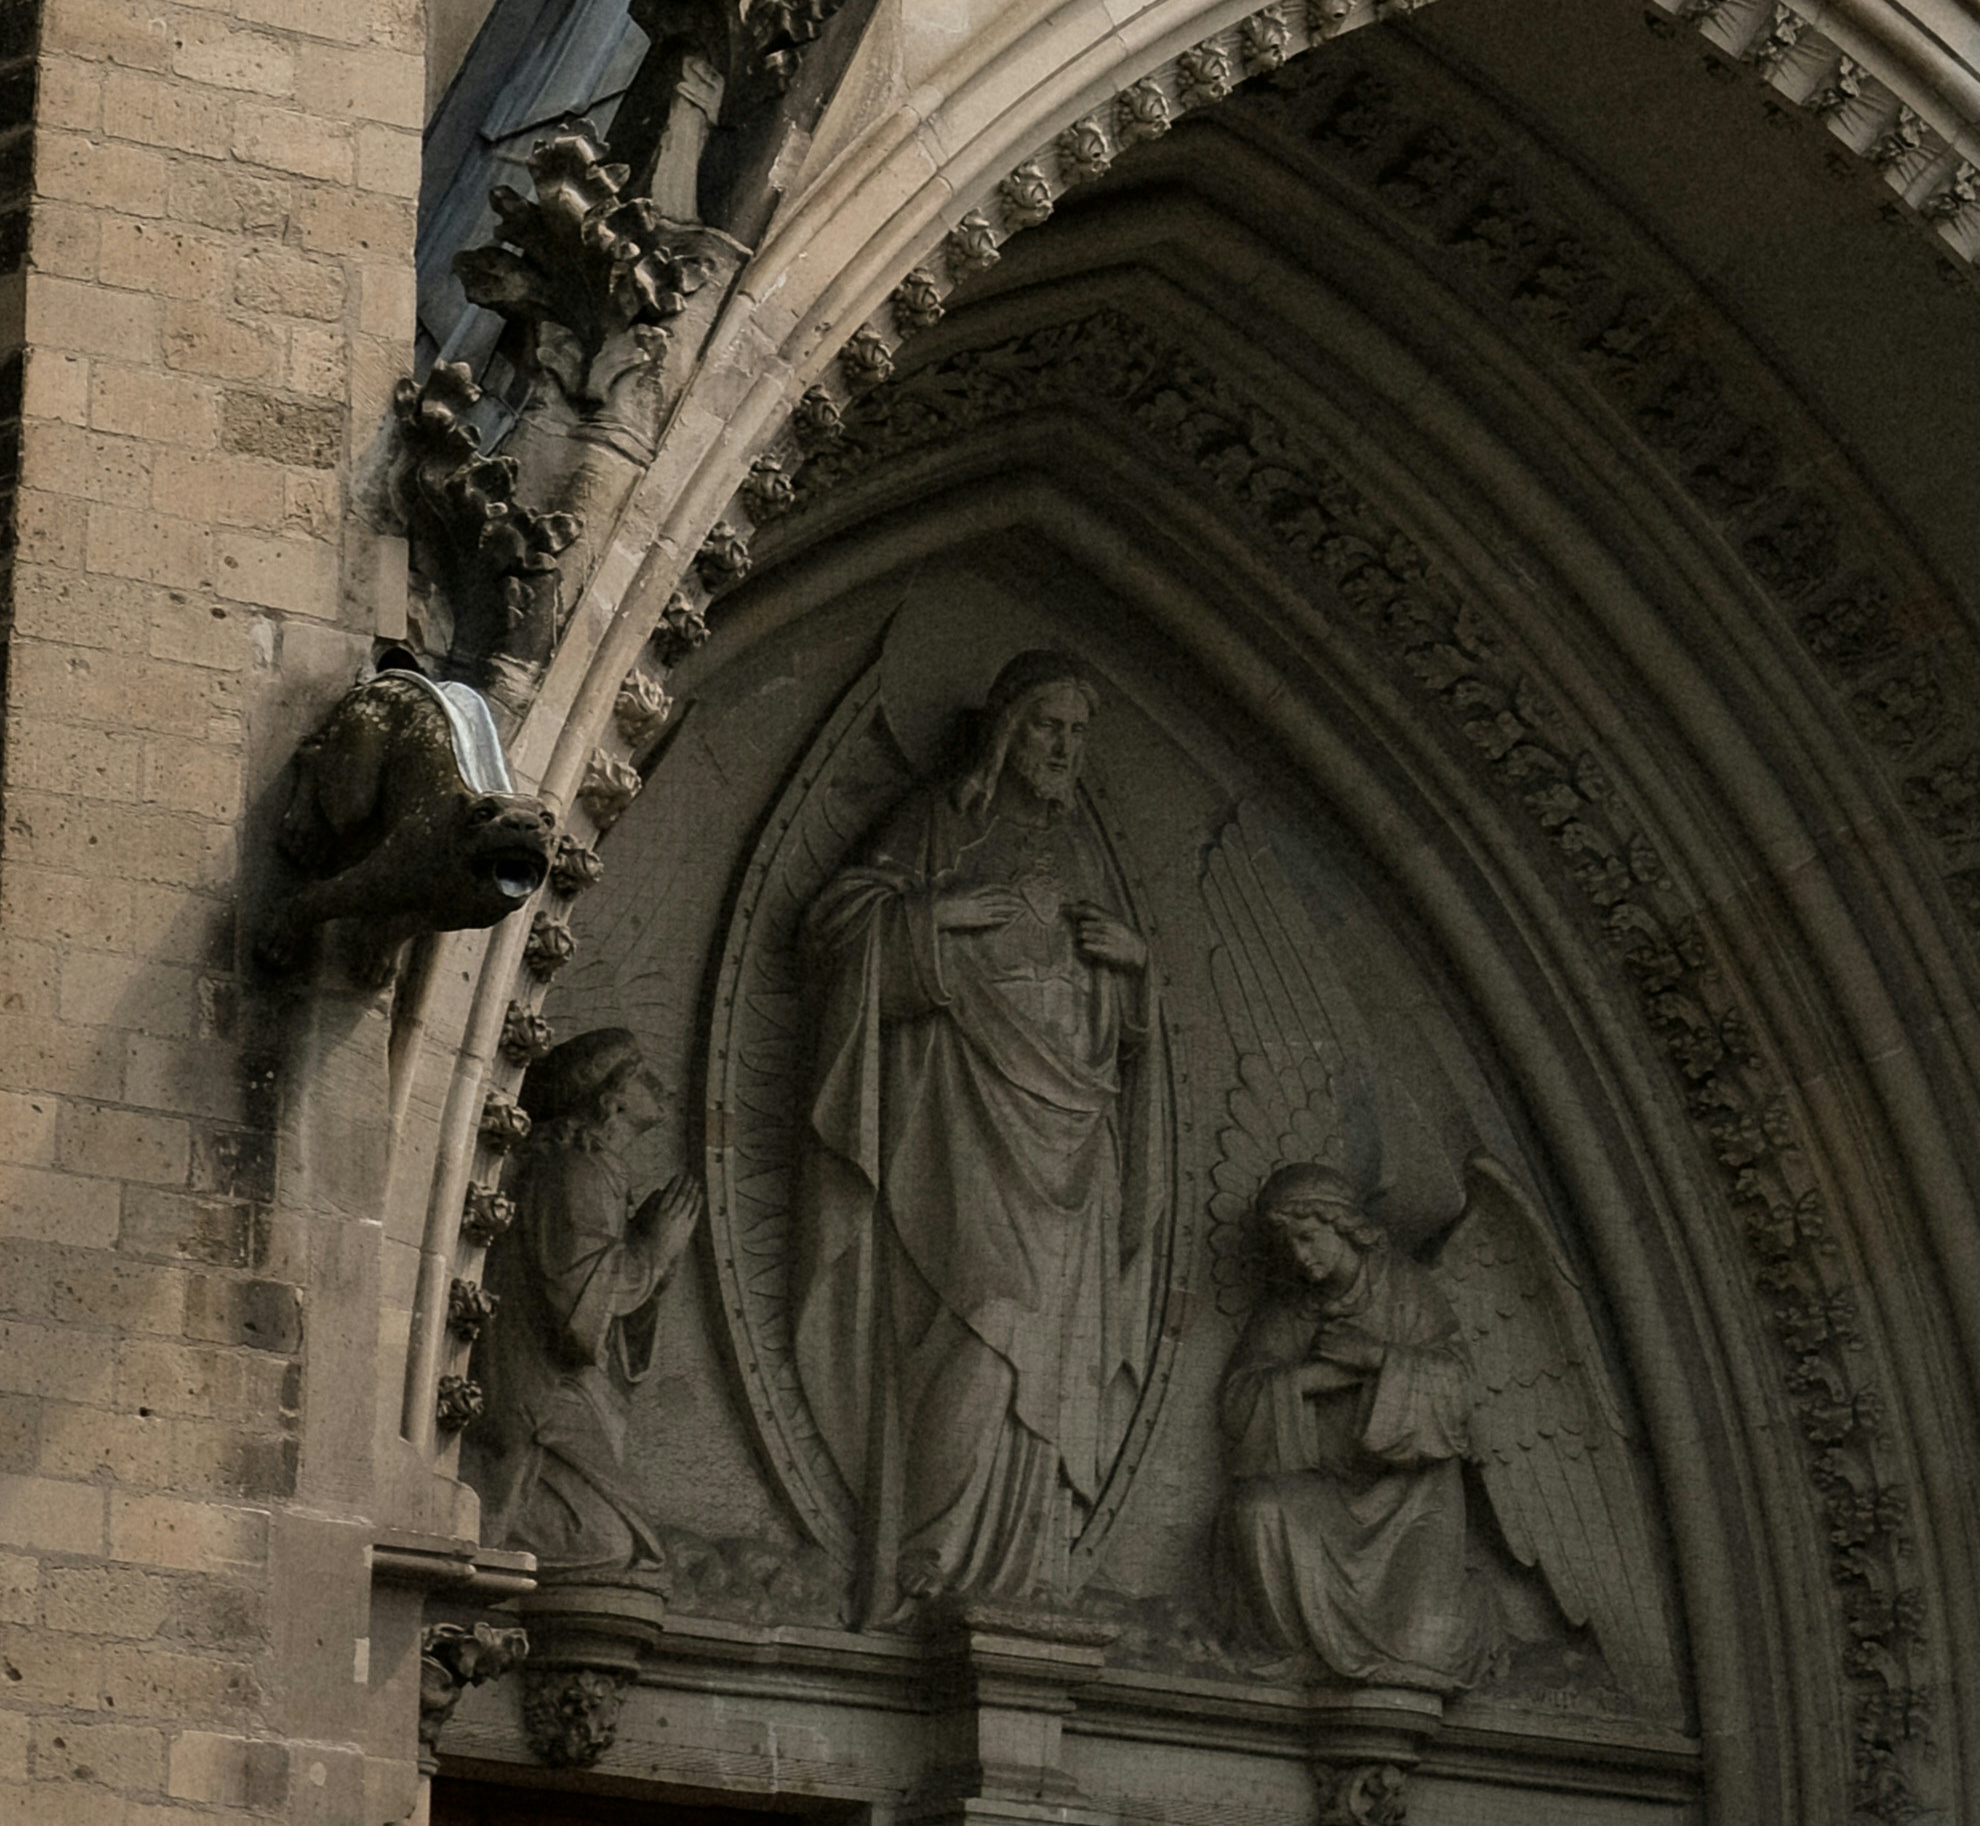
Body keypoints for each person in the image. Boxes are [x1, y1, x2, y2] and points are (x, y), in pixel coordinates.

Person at [795, 656, 1163, 1621]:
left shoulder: (1080, 851)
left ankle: (1022, 1562)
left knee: (1044, 1338)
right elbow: (833, 930)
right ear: (1005, 730)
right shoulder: (935, 822)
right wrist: (927, 918)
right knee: (985, 1314)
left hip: (1071, 1145)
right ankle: (933, 1548)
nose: (1064, 751)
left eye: (1078, 737)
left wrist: (1136, 975)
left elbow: (1114, 1014)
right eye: (1048, 729)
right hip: (955, 1120)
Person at [1210, 1169, 1491, 1685]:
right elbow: (1238, 1400)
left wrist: (1376, 1358)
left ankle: (1463, 1614)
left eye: (1308, 1237)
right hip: (1322, 1490)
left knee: (1419, 1653)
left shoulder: (1406, 1290)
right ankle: (1295, 1650)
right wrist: (1316, 1378)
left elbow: (1457, 1389)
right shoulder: (1289, 1308)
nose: (1298, 1255)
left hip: (1411, 1498)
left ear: (1343, 1227)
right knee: (1257, 1511)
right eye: (1286, 1244)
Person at [480, 1028, 705, 1574]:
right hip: (541, 1404)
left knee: (621, 1545)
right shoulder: (573, 1171)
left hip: (570, 1397)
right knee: (607, 1543)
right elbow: (576, 1308)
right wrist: (653, 1249)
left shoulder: (597, 1171)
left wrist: (657, 1264)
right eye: (647, 1078)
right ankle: (488, 1515)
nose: (667, 1089)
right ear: (614, 1095)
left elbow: (607, 1325)